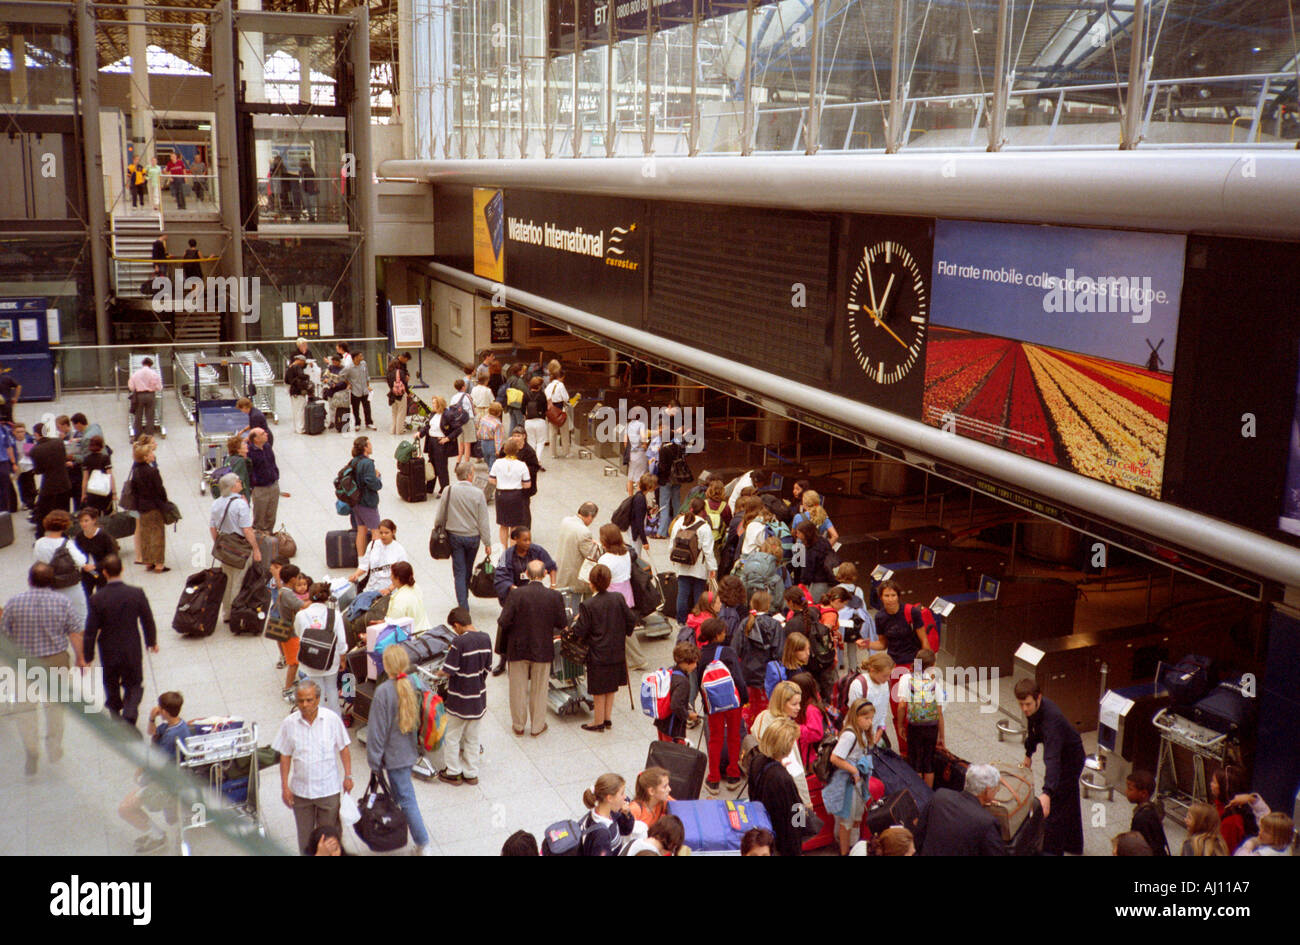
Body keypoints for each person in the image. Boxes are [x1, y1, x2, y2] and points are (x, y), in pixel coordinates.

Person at [0, 563, 85, 775]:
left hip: (24, 664)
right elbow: (75, 633)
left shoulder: (14, 603)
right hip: (56, 662)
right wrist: (81, 658)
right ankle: (54, 747)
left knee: (25, 710)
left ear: (29, 580)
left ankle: (32, 749)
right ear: (51, 581)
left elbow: (5, 634)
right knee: (55, 708)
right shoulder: (63, 602)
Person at [273, 679, 353, 856]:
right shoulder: (289, 723)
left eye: (309, 700)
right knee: (305, 840)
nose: (304, 705)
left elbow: (344, 748)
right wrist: (285, 786)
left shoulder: (331, 719)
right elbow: (285, 755)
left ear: (317, 699)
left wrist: (348, 776)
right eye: (300, 700)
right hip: (301, 793)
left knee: (329, 839)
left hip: (328, 790)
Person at [83, 554, 157, 727]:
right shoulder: (136, 593)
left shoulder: (96, 598)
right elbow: (147, 619)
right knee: (134, 682)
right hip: (131, 645)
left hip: (108, 647)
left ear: (104, 573)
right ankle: (130, 712)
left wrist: (88, 656)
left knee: (111, 681)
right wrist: (151, 641)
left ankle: (115, 710)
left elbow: (91, 629)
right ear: (122, 570)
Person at [496, 561, 567, 737]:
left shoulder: (516, 594)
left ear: (526, 574)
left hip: (517, 649)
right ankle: (537, 726)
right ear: (545, 574)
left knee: (518, 689)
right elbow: (561, 623)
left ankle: (519, 725)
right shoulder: (554, 596)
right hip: (542, 648)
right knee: (539, 689)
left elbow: (503, 621)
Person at [1016, 678, 1085, 856]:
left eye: (1028, 704)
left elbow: (1052, 759)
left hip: (1070, 759)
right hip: (1066, 752)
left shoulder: (1051, 720)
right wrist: (1028, 754)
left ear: (1038, 698)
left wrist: (1047, 792)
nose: (1025, 709)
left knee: (1055, 809)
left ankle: (1052, 851)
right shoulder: (1034, 709)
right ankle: (1073, 844)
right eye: (1021, 704)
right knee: (1069, 799)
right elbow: (1033, 730)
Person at [117, 691, 191, 853]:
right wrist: (151, 718)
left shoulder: (172, 736)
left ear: (164, 711)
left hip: (164, 784)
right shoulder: (177, 726)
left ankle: (158, 837)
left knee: (125, 809)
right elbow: (152, 733)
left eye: (159, 707)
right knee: (129, 804)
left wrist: (142, 769)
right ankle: (155, 834)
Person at [571, 564, 638, 732]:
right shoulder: (618, 598)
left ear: (591, 583)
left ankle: (598, 721)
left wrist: (577, 622)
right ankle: (607, 718)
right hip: (616, 650)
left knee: (599, 689)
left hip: (597, 652)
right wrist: (623, 633)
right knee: (611, 686)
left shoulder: (588, 605)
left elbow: (580, 631)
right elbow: (631, 619)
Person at [432, 607, 492, 785]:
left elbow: (449, 670)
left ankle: (453, 772)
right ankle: (471, 773)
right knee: (473, 738)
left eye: (454, 627)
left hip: (460, 699)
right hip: (478, 698)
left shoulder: (459, 642)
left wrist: (437, 673)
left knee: (452, 736)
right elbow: (487, 667)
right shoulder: (486, 638)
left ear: (457, 625)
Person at [820, 699, 882, 854]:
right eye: (866, 718)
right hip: (847, 783)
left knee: (856, 818)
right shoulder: (850, 735)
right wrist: (853, 770)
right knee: (846, 821)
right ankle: (844, 851)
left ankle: (853, 847)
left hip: (856, 782)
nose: (870, 722)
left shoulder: (861, 731)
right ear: (856, 716)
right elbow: (835, 758)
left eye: (871, 718)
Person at [695, 617, 747, 790]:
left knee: (715, 739)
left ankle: (714, 778)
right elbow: (738, 678)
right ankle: (733, 774)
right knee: (734, 736)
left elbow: (700, 681)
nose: (725, 634)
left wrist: (705, 704)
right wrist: (744, 698)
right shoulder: (728, 652)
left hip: (713, 704)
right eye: (723, 632)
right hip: (733, 702)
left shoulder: (701, 654)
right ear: (717, 635)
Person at [437, 461, 494, 611]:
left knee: (459, 571)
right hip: (473, 537)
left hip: (454, 536)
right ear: (469, 475)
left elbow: (440, 515)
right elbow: (483, 521)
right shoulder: (478, 494)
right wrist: (487, 542)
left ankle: (463, 605)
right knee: (468, 568)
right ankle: (464, 596)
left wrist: (437, 528)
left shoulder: (448, 490)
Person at [918, 762, 1007, 856]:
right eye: (996, 788)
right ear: (987, 790)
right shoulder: (987, 822)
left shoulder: (940, 796)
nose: (997, 791)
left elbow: (919, 835)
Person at [209, 472, 261, 625]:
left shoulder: (216, 503)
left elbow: (212, 528)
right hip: (241, 547)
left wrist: (219, 544)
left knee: (227, 580)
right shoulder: (240, 504)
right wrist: (256, 549)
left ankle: (226, 613)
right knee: (239, 580)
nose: (240, 482)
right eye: (238, 481)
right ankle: (236, 613)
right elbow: (247, 530)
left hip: (225, 546)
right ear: (232, 487)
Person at [747, 718, 803, 857]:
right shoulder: (783, 779)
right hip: (782, 841)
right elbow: (796, 815)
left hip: (763, 827)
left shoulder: (756, 760)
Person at [293, 582, 348, 714]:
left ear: (310, 595)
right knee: (332, 689)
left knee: (317, 692)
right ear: (327, 597)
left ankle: (320, 718)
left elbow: (298, 633)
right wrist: (342, 659)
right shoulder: (335, 615)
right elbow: (341, 641)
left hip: (310, 659)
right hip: (331, 660)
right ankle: (336, 719)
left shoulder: (301, 615)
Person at [895, 648, 946, 788]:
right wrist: (942, 737)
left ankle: (918, 794)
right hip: (932, 727)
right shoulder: (935, 684)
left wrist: (900, 725)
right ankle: (929, 794)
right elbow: (939, 713)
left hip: (914, 726)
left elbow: (901, 706)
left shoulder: (906, 679)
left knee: (915, 761)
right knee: (929, 762)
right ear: (932, 666)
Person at [33, 510, 91, 626]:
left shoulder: (39, 543)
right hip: (70, 585)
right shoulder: (67, 543)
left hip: (50, 585)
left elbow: (38, 561)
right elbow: (81, 561)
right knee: (81, 616)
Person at [668, 497, 717, 625]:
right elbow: (708, 550)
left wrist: (674, 557)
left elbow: (672, 542)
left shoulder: (680, 522)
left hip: (683, 564)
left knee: (682, 594)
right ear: (703, 511)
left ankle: (681, 621)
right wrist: (712, 568)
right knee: (698, 595)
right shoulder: (704, 526)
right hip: (699, 567)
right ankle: (697, 620)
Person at [129, 437, 169, 572]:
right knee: (157, 534)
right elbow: (160, 489)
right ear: (146, 457)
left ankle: (148, 561)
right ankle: (159, 564)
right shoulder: (153, 471)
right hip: (154, 506)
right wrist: (164, 502)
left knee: (145, 534)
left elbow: (134, 490)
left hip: (142, 507)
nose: (153, 454)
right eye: (150, 453)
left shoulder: (136, 471)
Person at [868, 579, 928, 669]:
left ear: (898, 596)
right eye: (886, 596)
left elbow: (924, 640)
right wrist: (867, 644)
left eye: (893, 595)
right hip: (893, 662)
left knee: (917, 679)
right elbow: (883, 644)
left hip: (915, 661)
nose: (890, 599)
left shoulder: (912, 612)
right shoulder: (879, 617)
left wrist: (927, 665)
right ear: (881, 597)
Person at [492, 527, 558, 606]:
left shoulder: (537, 550)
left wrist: (553, 585)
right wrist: (515, 589)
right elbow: (500, 577)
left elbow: (551, 567)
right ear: (516, 539)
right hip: (514, 593)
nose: (528, 543)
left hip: (534, 592)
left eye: (529, 540)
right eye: (525, 540)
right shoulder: (506, 555)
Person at [347, 436, 383, 564]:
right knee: (376, 532)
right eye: (369, 444)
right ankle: (375, 562)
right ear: (365, 448)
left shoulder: (354, 461)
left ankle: (361, 560)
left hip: (356, 502)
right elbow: (371, 482)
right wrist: (378, 479)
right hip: (367, 502)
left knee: (361, 531)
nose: (371, 446)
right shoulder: (368, 463)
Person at [488, 439, 532, 547]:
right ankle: (512, 550)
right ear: (517, 450)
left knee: (503, 524)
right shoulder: (522, 465)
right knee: (515, 525)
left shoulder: (497, 463)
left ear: (504, 450)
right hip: (516, 495)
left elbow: (491, 479)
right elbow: (527, 484)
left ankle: (503, 548)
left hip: (501, 494)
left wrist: (500, 483)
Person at [579, 773, 636, 856]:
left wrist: (627, 814)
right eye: (622, 793)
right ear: (609, 798)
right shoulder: (601, 835)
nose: (625, 797)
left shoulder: (610, 812)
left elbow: (626, 830)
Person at [655, 642, 699, 743]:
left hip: (662, 722)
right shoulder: (683, 682)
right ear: (686, 663)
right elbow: (676, 705)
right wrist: (688, 715)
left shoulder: (670, 670)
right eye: (694, 662)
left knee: (663, 748)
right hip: (673, 728)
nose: (696, 665)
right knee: (674, 751)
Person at [31, 424, 73, 528]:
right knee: (64, 510)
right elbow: (64, 458)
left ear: (36, 434)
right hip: (64, 482)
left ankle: (44, 532)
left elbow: (38, 471)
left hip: (49, 485)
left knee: (44, 512)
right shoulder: (59, 442)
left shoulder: (35, 450)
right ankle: (65, 531)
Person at [74, 507, 119, 600]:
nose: (83, 524)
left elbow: (111, 555)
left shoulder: (103, 536)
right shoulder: (79, 537)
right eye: (81, 521)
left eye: (86, 521)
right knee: (85, 596)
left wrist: (96, 566)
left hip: (102, 571)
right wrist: (83, 565)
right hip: (86, 571)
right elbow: (76, 554)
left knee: (103, 597)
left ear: (94, 520)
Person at [555, 502, 600, 593]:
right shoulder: (584, 532)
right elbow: (592, 555)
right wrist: (599, 545)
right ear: (590, 516)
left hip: (561, 570)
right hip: (574, 577)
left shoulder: (566, 521)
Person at [1126, 769, 1170, 856]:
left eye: (1130, 789)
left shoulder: (1141, 818)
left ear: (1143, 793)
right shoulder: (1152, 809)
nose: (1126, 792)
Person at [596, 523, 638, 610]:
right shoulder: (626, 553)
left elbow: (600, 581)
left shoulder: (604, 559)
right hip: (626, 592)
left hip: (611, 596)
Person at [248, 428, 281, 533]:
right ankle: (259, 539)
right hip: (260, 489)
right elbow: (249, 471)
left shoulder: (267, 446)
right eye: (263, 434)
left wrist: (275, 475)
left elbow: (272, 462)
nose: (266, 434)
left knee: (271, 517)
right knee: (260, 518)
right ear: (256, 439)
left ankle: (269, 536)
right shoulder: (250, 453)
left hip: (273, 485)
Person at [385, 561, 432, 633]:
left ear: (397, 578)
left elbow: (392, 625)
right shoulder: (416, 587)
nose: (390, 577)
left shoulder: (399, 599)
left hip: (413, 636)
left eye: (391, 574)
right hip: (426, 631)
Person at [765, 631, 809, 699]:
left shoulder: (799, 667)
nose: (808, 653)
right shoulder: (793, 674)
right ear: (793, 651)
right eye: (803, 650)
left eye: (808, 649)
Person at [424, 396, 453, 496]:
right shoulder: (433, 414)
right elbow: (428, 426)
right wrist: (420, 433)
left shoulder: (447, 415)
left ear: (439, 404)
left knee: (441, 466)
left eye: (434, 403)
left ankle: (444, 488)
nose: (432, 405)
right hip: (431, 441)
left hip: (440, 443)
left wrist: (447, 438)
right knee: (432, 464)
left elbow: (457, 429)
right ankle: (429, 487)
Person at [127, 356, 163, 437]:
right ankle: (149, 436)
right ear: (151, 365)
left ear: (142, 364)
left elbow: (131, 387)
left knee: (138, 417)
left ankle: (138, 436)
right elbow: (159, 387)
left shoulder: (136, 374)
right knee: (150, 417)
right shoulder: (154, 374)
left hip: (139, 395)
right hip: (150, 395)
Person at [544, 368, 572, 460]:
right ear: (561, 377)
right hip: (560, 410)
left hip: (551, 411)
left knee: (552, 433)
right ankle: (566, 452)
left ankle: (553, 453)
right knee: (564, 432)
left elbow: (546, 396)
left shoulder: (549, 385)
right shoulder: (560, 385)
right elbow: (566, 398)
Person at [344, 351, 374, 431]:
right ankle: (357, 424)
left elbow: (367, 375)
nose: (362, 357)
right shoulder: (349, 367)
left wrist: (368, 386)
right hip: (355, 391)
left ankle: (369, 422)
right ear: (355, 358)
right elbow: (344, 377)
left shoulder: (364, 364)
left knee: (367, 408)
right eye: (360, 356)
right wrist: (348, 384)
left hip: (365, 390)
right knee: (355, 409)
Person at [522, 376, 549, 457]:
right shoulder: (542, 395)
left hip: (528, 421)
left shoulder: (526, 394)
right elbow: (545, 409)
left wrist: (525, 415)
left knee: (531, 441)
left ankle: (532, 458)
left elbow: (522, 408)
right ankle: (538, 459)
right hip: (540, 421)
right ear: (539, 386)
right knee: (540, 442)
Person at [386, 351, 412, 435]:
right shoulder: (400, 372)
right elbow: (404, 383)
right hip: (400, 394)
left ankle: (393, 430)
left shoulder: (389, 372)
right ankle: (399, 430)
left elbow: (389, 382)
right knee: (401, 412)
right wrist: (408, 392)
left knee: (394, 412)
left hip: (392, 393)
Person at [285, 353, 312, 434]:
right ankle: (301, 428)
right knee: (301, 410)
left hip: (293, 391)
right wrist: (307, 376)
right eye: (303, 362)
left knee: (295, 410)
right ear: (300, 360)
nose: (303, 364)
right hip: (298, 391)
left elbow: (286, 380)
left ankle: (296, 428)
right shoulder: (297, 367)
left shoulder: (289, 367)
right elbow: (301, 376)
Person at [498, 362, 527, 436]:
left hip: (510, 404)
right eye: (522, 370)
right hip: (517, 404)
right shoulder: (518, 380)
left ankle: (510, 438)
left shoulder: (510, 379)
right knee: (520, 423)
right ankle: (521, 438)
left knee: (513, 423)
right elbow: (525, 391)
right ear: (519, 371)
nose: (524, 372)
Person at [624, 412, 648, 497]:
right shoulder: (641, 424)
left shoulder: (628, 425)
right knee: (640, 478)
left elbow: (625, 442)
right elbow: (643, 437)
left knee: (630, 477)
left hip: (631, 454)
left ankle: (630, 497)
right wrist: (645, 445)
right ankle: (638, 498)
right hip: (640, 453)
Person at [477, 401, 504, 470]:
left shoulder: (483, 419)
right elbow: (498, 438)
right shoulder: (498, 424)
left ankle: (489, 470)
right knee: (492, 461)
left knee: (486, 459)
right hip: (492, 443)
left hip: (483, 442)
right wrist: (498, 450)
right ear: (499, 413)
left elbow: (479, 430)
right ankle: (491, 473)